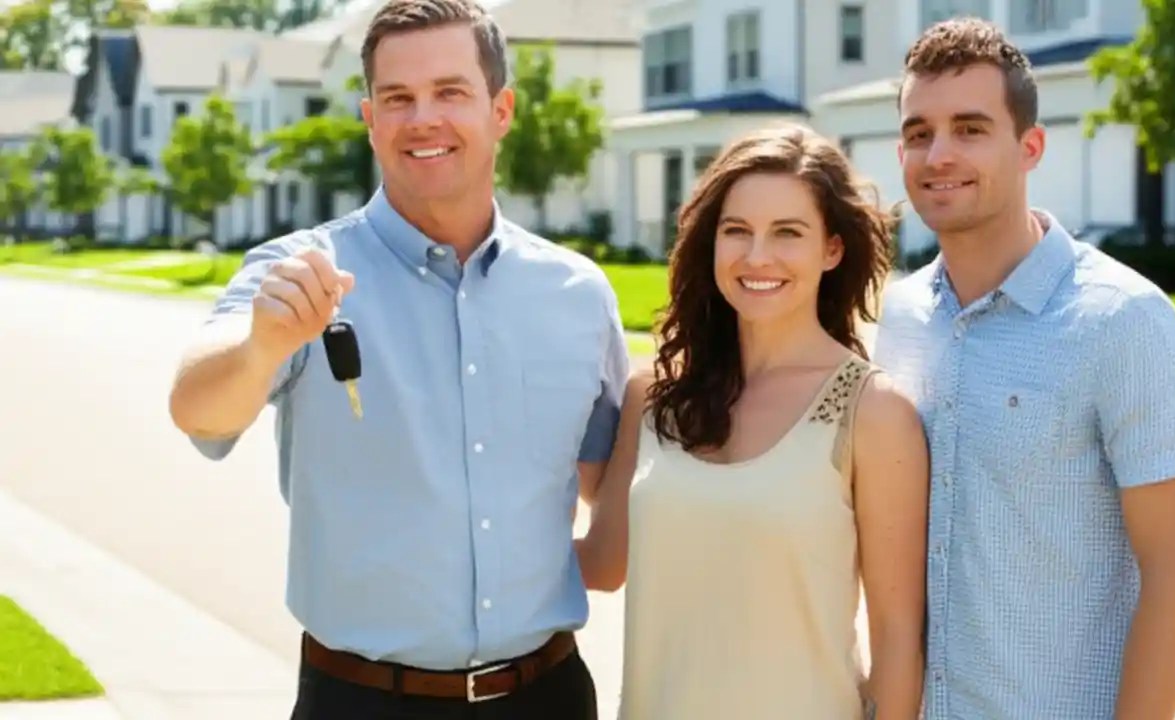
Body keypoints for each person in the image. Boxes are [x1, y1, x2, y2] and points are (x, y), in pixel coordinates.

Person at [166, 0, 628, 717]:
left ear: (500, 110)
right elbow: (196, 407)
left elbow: (609, 486)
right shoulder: (299, 272)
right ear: (370, 119)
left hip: (548, 694)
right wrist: (262, 346)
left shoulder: (577, 292)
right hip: (362, 700)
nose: (424, 119)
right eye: (398, 99)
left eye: (451, 93)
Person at [874, 17, 1175, 720]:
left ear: (1030, 146)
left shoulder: (1123, 322)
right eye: (917, 132)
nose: (938, 154)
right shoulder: (901, 316)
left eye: (970, 128)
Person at [575, 123, 929, 720]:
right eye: (736, 231)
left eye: (787, 233)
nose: (757, 256)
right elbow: (603, 562)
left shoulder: (872, 412)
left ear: (832, 248)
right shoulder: (656, 398)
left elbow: (897, 640)